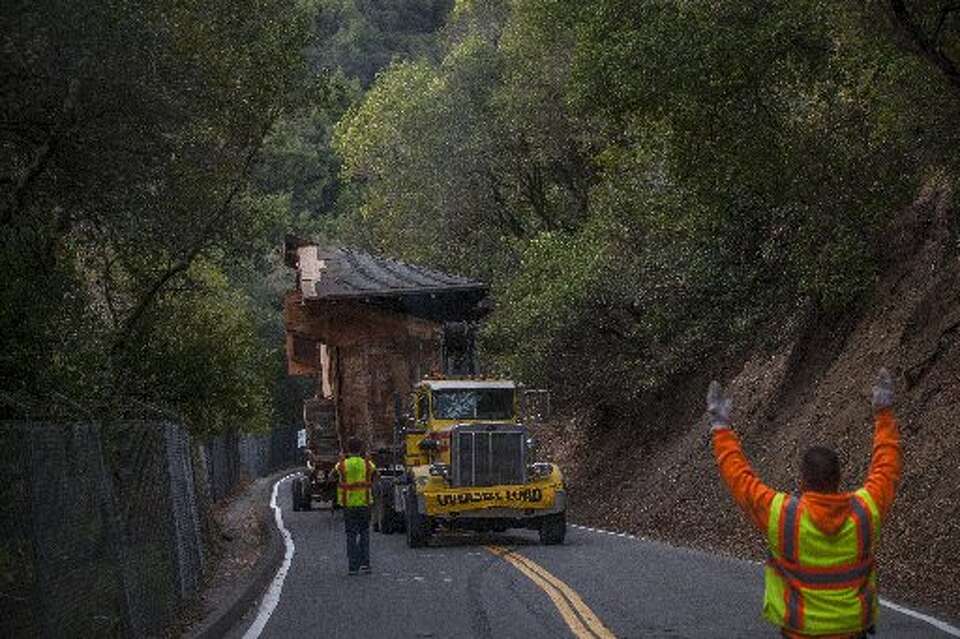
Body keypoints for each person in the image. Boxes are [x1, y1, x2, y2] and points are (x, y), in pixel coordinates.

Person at [709, 369, 901, 638]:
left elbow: (739, 477)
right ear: (839, 478)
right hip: (851, 632)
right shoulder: (865, 512)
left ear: (802, 481)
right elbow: (887, 466)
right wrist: (884, 414)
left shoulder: (784, 516)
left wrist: (721, 427)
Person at [333, 437, 377, 575]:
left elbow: (333, 476)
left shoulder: (342, 465)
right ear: (361, 449)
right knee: (364, 533)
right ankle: (365, 564)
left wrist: (341, 459)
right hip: (365, 503)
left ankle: (353, 566)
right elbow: (375, 476)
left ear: (347, 449)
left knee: (351, 535)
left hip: (348, 504)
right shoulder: (368, 464)